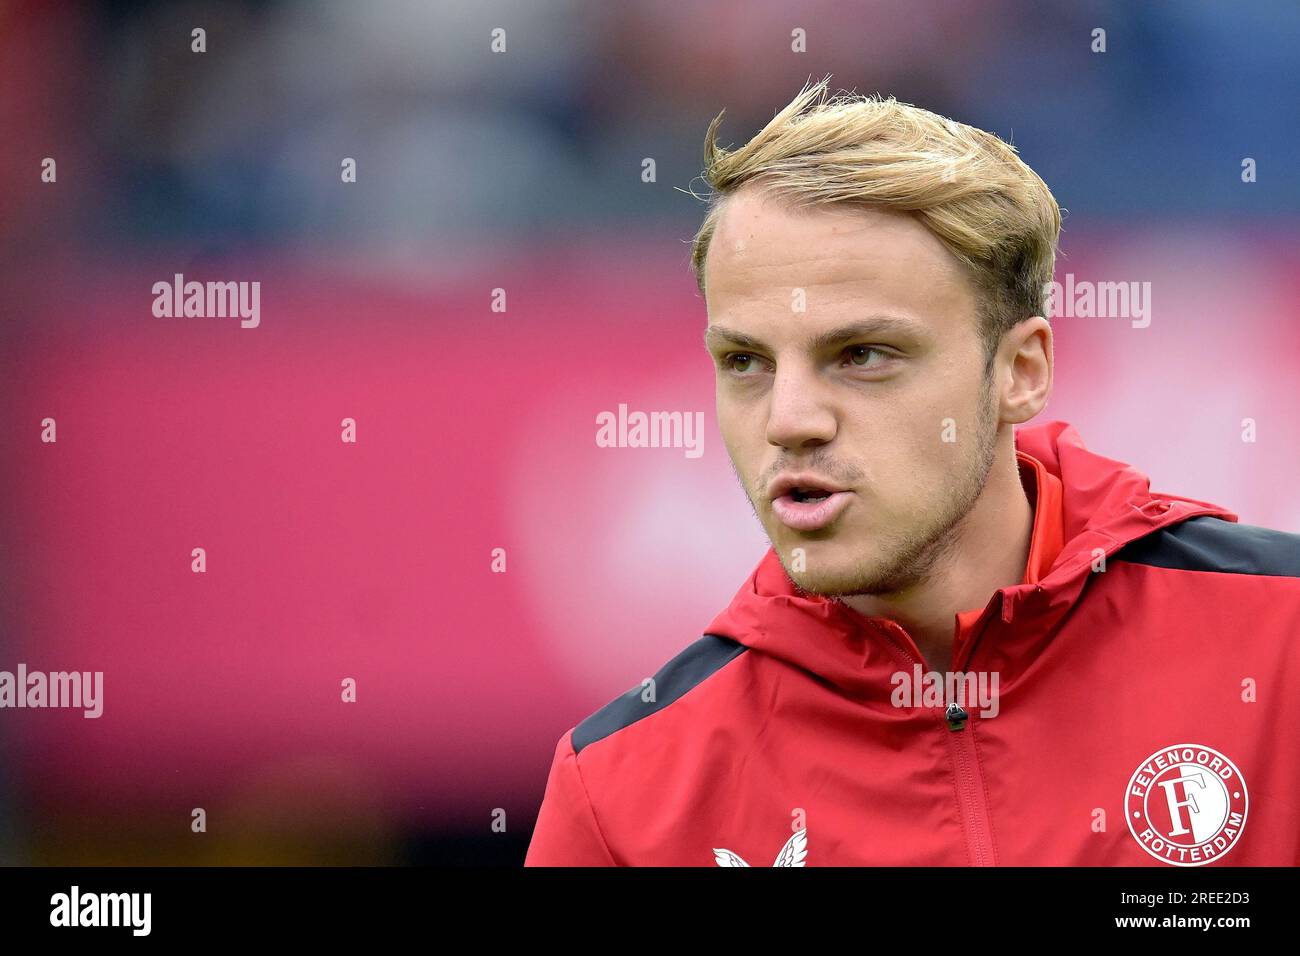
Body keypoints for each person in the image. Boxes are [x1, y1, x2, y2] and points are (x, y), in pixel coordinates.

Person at [524, 78, 1300, 867]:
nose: (789, 419)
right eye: (745, 361)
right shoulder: (623, 796)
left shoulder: (1282, 643)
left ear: (1020, 371)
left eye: (862, 355)